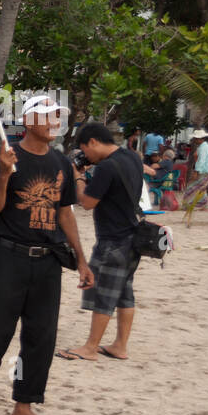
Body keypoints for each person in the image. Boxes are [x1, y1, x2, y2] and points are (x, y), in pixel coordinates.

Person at [0, 96, 94, 415]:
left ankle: (24, 404)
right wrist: (2, 173)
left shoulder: (61, 163)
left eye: (58, 116)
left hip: (47, 263)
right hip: (8, 258)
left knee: (40, 338)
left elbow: (65, 213)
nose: (55, 122)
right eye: (49, 116)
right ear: (29, 122)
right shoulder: (7, 158)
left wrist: (82, 261)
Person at [59, 121, 146, 362]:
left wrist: (78, 177)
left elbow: (86, 202)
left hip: (113, 240)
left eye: (84, 150)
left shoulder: (107, 167)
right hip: (133, 235)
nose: (85, 156)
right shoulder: (132, 157)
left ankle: (90, 347)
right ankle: (120, 345)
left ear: (93, 142)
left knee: (104, 293)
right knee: (124, 293)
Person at [181, 126, 208, 224]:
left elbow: (201, 161)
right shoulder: (203, 146)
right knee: (201, 187)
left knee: (193, 186)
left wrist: (196, 171)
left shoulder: (203, 147)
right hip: (207, 169)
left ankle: (188, 204)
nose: (195, 140)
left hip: (205, 170)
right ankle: (202, 205)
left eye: (195, 138)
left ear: (199, 139)